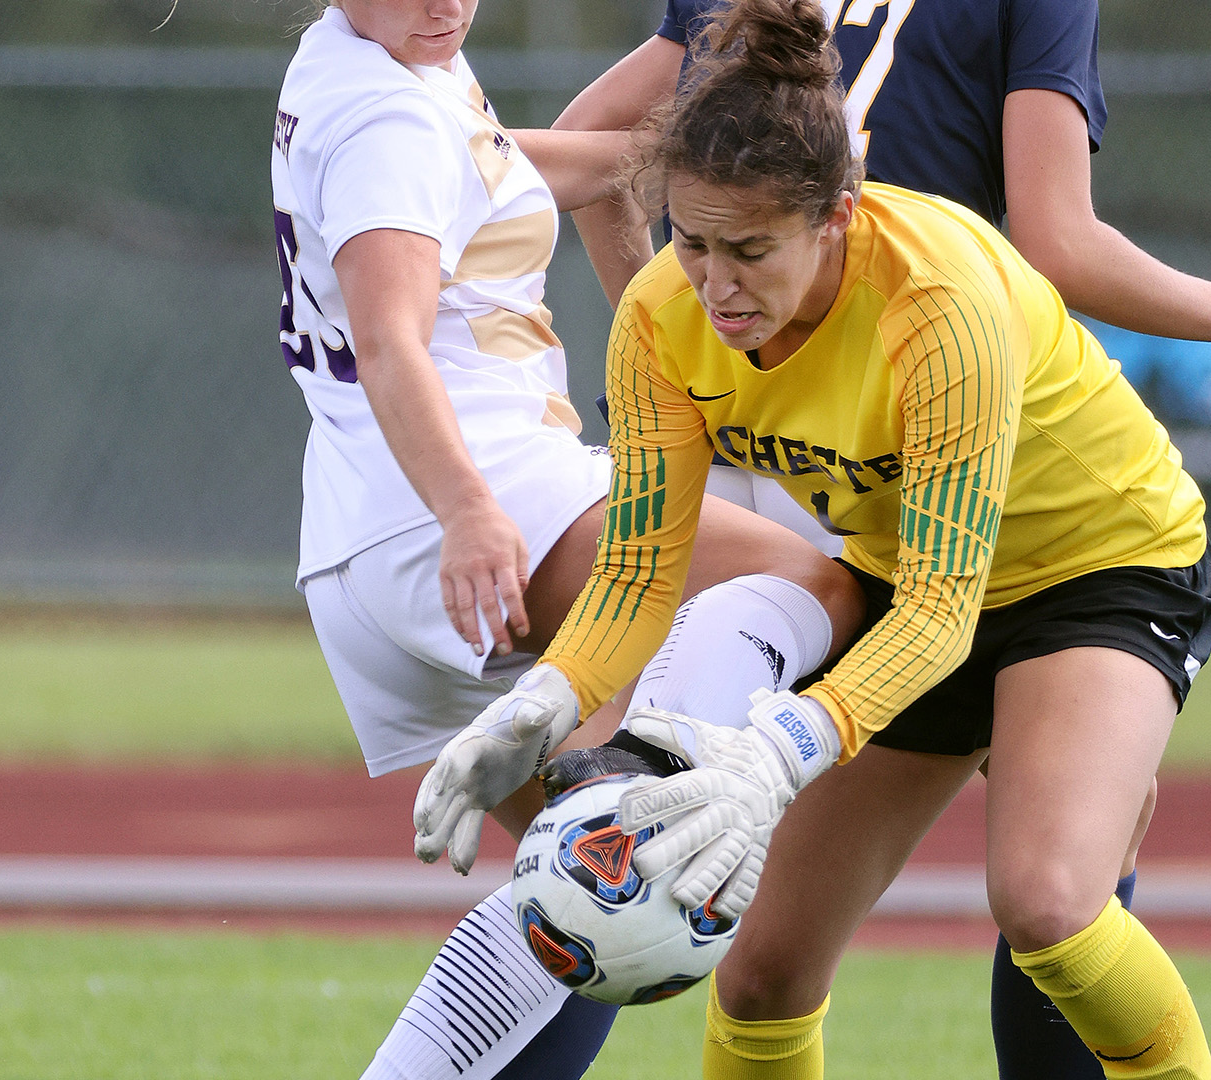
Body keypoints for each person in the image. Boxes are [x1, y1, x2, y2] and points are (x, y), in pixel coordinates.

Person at [547, 0, 1211, 1074]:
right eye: (692, 241)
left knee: (1049, 901)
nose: (716, 283)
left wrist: (773, 759)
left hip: (1095, 561)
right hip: (908, 566)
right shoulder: (664, 310)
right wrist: (536, 706)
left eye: (749, 248)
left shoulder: (937, 298)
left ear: (837, 214)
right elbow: (640, 575)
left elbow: (939, 611)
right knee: (762, 973)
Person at [270, 3, 863, 1078]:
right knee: (811, 584)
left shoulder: (364, 65)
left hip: (363, 544)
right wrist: (465, 510)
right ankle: (675, 784)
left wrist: (709, 137)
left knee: (589, 909)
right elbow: (391, 339)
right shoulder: (386, 121)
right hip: (482, 499)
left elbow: (523, 167)